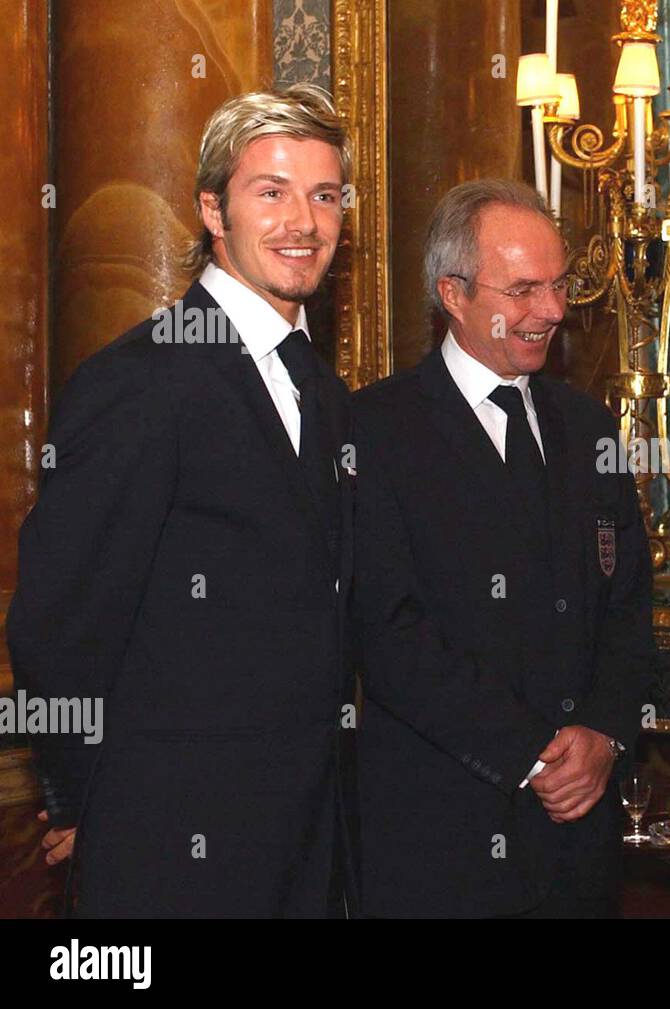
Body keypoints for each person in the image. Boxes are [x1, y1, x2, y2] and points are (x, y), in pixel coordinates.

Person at [7, 84, 357, 916]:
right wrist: (79, 799)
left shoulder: (327, 391)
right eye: (270, 192)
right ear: (212, 208)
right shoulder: (141, 381)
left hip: (310, 836)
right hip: (169, 840)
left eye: (324, 195)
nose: (302, 222)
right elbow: (59, 620)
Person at [351, 178, 655, 918]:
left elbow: (630, 607)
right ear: (452, 293)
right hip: (438, 841)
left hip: (577, 841)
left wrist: (605, 735)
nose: (552, 311)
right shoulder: (373, 433)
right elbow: (389, 634)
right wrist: (533, 750)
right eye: (522, 290)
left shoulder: (588, 430)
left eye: (558, 286)